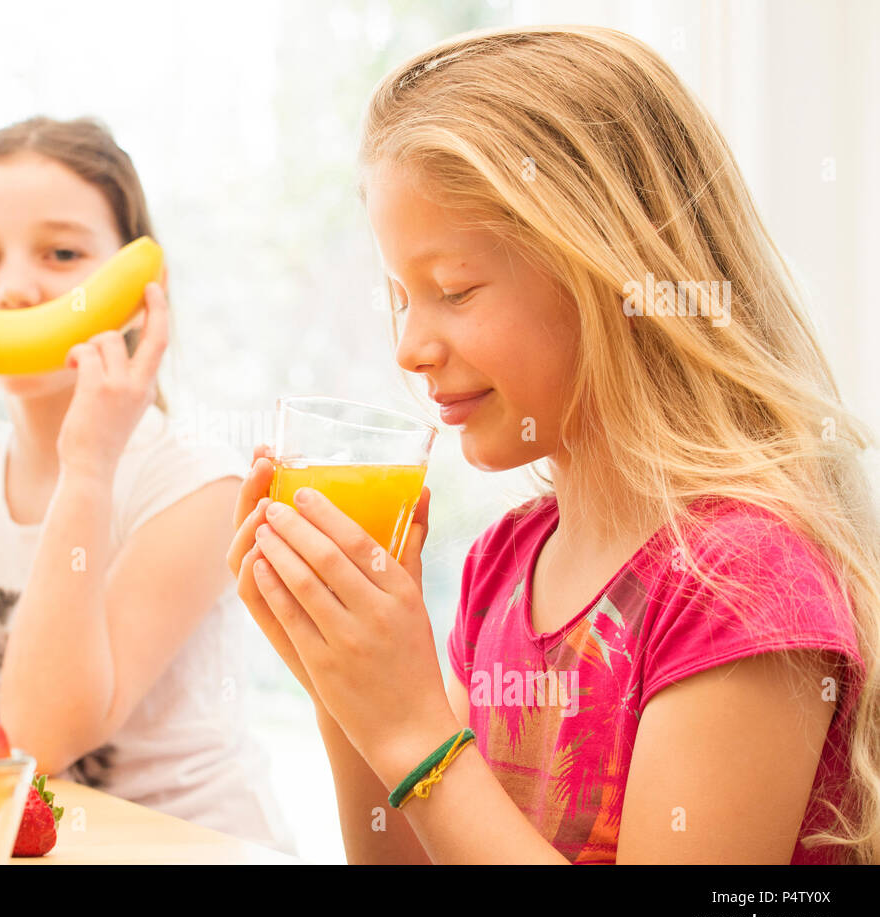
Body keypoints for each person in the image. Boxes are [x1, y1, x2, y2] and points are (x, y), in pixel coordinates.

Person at [228, 25, 880, 864]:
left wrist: (413, 729)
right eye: (401, 296)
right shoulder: (505, 562)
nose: (409, 347)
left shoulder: (741, 582)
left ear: (612, 273)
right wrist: (343, 687)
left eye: (453, 290)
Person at [0, 115, 294, 854]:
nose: (14, 289)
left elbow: (37, 735)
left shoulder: (198, 483)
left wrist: (87, 467)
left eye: (62, 252)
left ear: (141, 283)